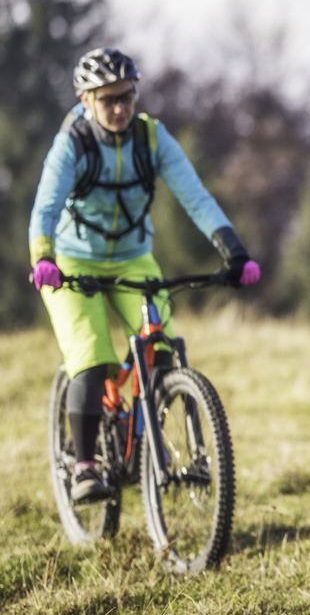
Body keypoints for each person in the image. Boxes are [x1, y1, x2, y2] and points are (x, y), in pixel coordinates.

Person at [29, 48, 261, 504]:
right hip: (73, 264)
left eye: (126, 97)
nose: (118, 108)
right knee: (92, 360)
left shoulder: (152, 139)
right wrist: (43, 255)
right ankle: (84, 466)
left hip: (134, 259)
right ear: (86, 99)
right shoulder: (73, 143)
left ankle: (140, 429)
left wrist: (234, 251)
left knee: (163, 350)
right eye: (107, 99)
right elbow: (46, 206)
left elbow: (196, 197)